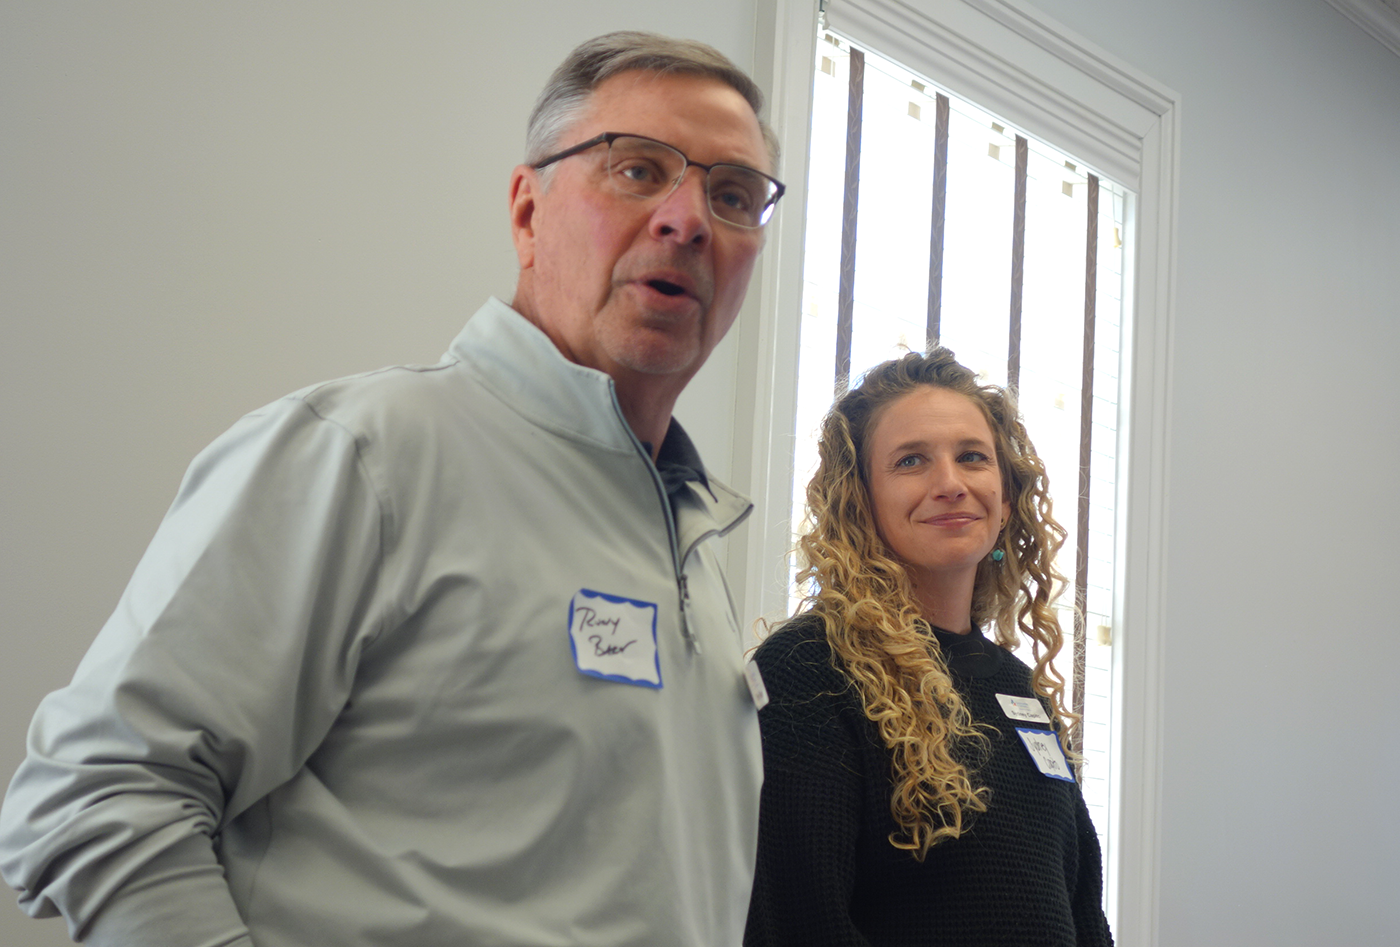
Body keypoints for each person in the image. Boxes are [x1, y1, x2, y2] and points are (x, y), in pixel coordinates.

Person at [0, 31, 784, 947]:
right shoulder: (362, 455)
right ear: (528, 212)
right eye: (639, 170)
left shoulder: (690, 531)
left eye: (732, 195)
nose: (688, 219)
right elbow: (97, 793)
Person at [744, 349, 1113, 947]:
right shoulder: (808, 669)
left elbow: (1084, 920)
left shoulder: (1020, 690)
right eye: (911, 461)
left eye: (972, 457)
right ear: (858, 501)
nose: (950, 484)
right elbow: (800, 924)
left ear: (1007, 499)